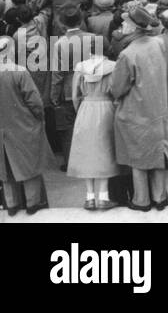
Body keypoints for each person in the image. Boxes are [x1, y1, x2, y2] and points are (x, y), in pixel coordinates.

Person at [110, 6, 168, 212]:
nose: (123, 26)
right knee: (158, 154)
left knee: (137, 159)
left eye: (125, 23)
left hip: (135, 112)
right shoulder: (158, 44)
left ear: (133, 27)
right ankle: (160, 196)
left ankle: (142, 200)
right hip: (158, 108)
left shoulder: (127, 54)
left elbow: (117, 89)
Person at [0, 34, 56, 215]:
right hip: (23, 125)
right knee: (29, 165)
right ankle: (33, 203)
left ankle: (12, 205)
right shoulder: (20, 72)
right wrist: (39, 118)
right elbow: (35, 102)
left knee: (5, 169)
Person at [66, 46, 118, 211]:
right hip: (106, 107)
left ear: (90, 51)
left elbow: (75, 96)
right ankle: (104, 196)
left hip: (86, 107)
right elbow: (116, 92)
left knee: (87, 153)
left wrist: (80, 109)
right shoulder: (113, 66)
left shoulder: (81, 67)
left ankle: (89, 197)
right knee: (105, 151)